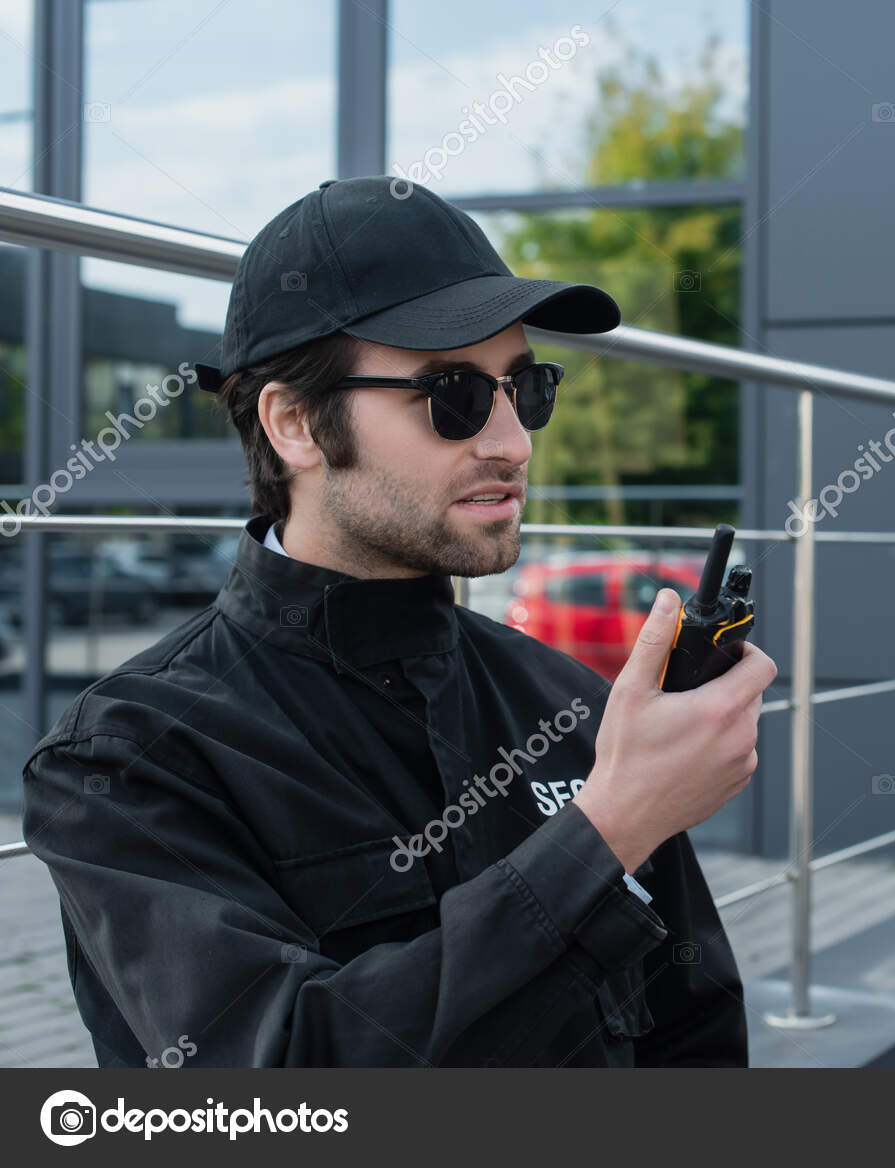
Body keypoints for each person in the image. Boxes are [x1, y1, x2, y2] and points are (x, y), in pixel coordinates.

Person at [21, 176, 775, 1067]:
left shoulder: (570, 704)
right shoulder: (129, 759)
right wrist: (605, 831)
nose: (513, 441)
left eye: (525, 388)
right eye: (453, 395)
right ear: (296, 423)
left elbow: (696, 1039)